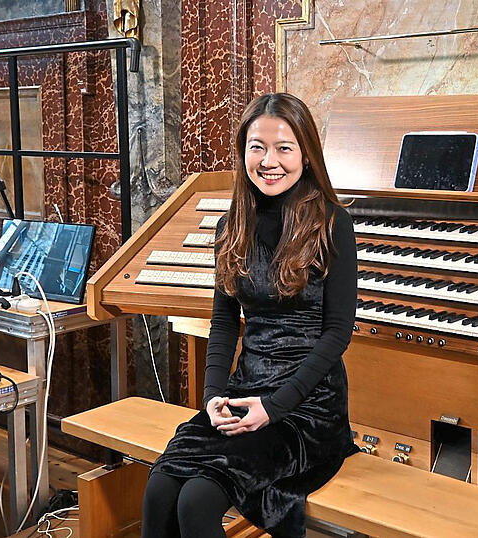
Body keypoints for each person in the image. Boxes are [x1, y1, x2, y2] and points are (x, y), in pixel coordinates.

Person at [141, 93, 359, 538]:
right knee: (161, 488)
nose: (268, 160)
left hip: (307, 409)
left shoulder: (333, 223)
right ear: (243, 152)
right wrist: (214, 396)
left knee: (198, 500)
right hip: (244, 391)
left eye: (284, 147)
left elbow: (337, 334)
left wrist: (274, 407)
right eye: (257, 146)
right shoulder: (231, 224)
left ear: (306, 154)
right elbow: (223, 324)